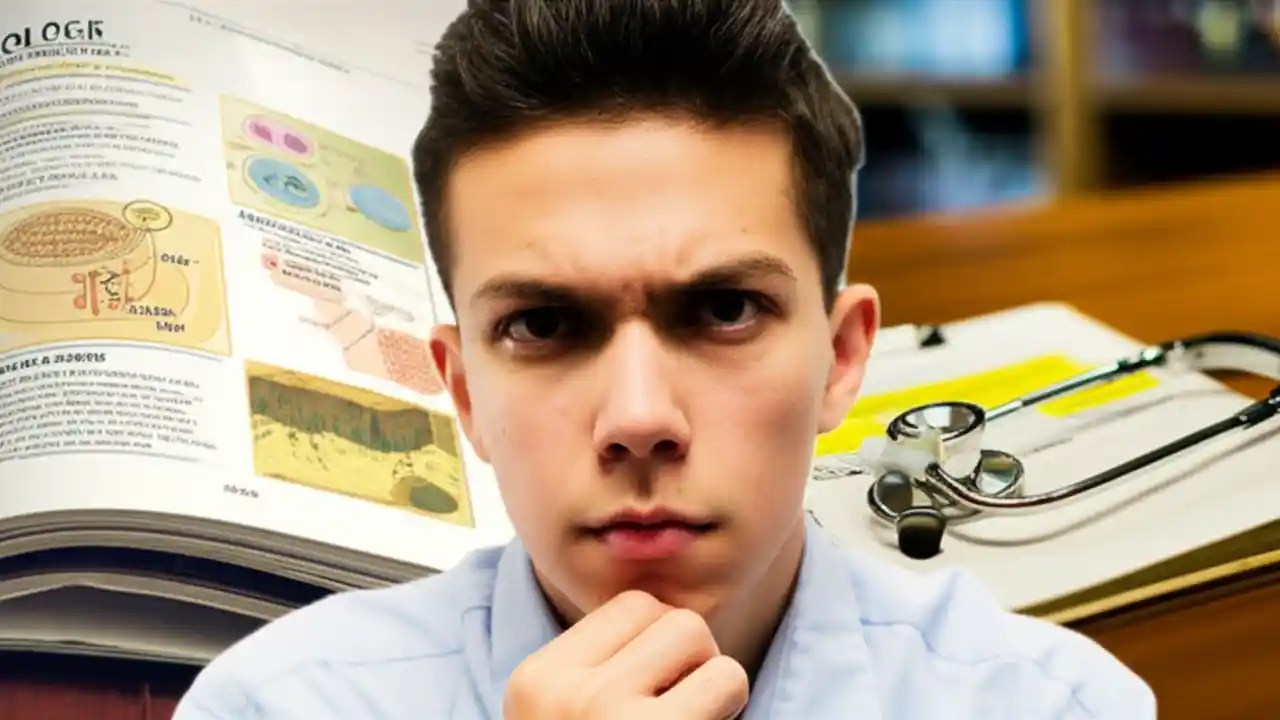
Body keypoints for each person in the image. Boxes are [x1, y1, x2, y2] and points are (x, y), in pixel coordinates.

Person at [174, 1, 1156, 717]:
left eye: (723, 309)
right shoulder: (277, 704)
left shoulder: (1056, 705)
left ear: (842, 358)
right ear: (464, 391)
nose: (638, 418)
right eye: (545, 326)